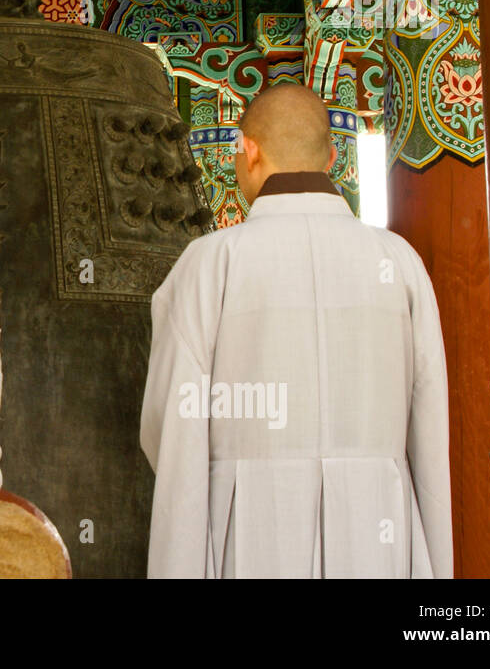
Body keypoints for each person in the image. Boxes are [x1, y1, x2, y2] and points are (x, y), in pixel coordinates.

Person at [139, 82, 452, 578]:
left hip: (251, 531)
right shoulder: (398, 262)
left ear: (250, 150)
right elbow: (431, 427)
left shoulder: (211, 263)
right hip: (379, 530)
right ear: (330, 157)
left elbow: (170, 427)